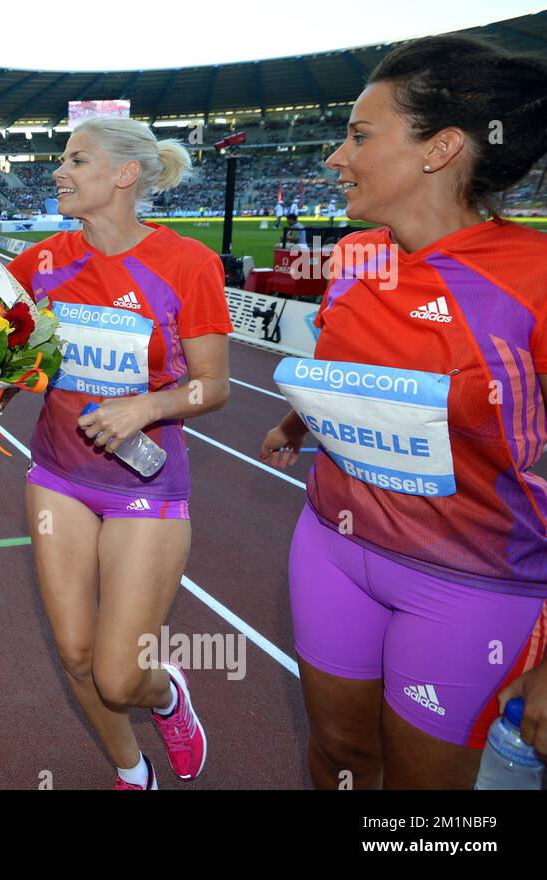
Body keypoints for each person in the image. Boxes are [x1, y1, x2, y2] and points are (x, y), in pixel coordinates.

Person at [260, 34, 547, 789]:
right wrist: (298, 420)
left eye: (359, 135)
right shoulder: (353, 258)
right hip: (331, 550)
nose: (335, 158)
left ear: (440, 148)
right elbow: (348, 372)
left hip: (473, 584)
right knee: (338, 760)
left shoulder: (534, 278)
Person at [7, 116, 233, 790]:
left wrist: (148, 405)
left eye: (77, 160)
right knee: (76, 656)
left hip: (146, 484)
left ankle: (165, 697)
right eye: (61, 159)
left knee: (118, 672)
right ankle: (133, 773)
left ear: (126, 174)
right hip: (57, 476)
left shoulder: (188, 263)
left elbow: (213, 384)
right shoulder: (41, 261)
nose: (59, 172)